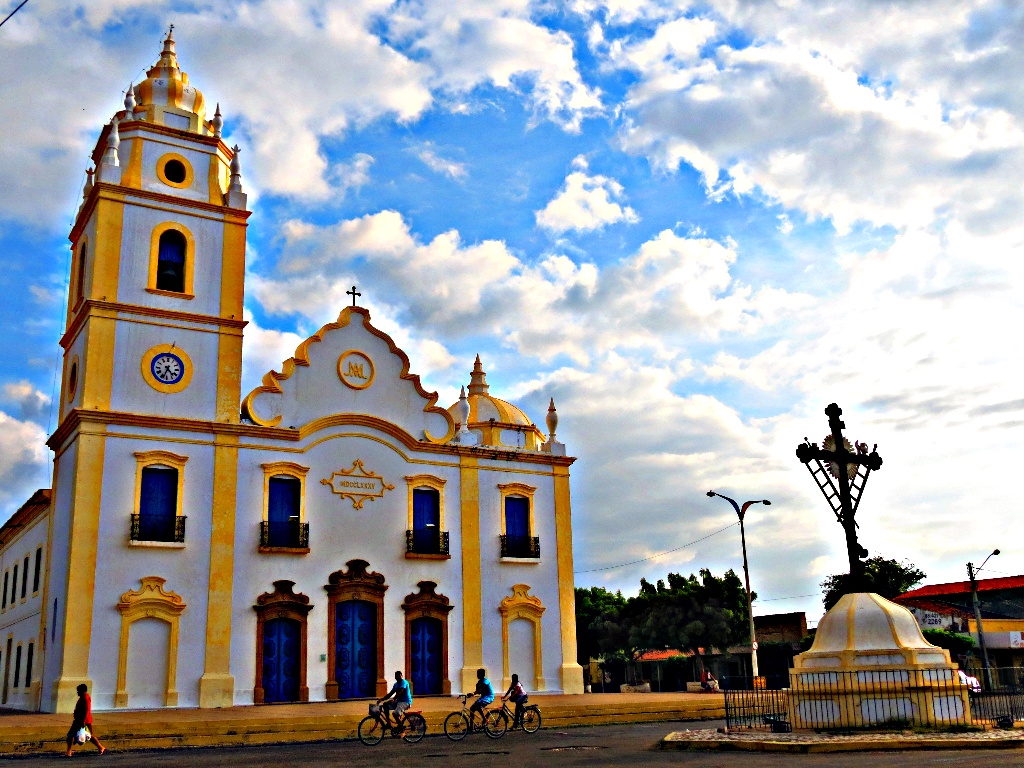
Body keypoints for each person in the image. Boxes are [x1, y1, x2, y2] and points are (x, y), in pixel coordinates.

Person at [65, 683, 105, 757]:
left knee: (71, 735)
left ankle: (68, 751)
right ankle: (100, 747)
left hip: (81, 721)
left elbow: (87, 710)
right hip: (82, 720)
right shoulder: (84, 697)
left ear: (82, 691)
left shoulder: (85, 698)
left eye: (78, 691)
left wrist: (83, 720)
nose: (77, 692)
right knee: (89, 735)